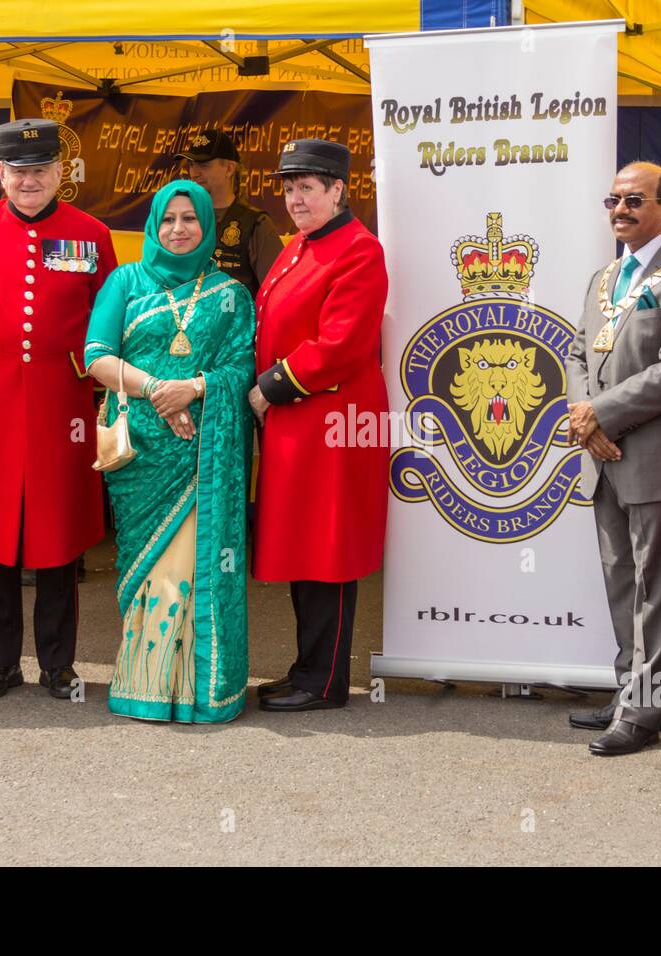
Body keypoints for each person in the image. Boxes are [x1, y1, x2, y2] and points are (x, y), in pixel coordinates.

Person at [0, 118, 118, 701]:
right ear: (0, 173)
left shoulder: (89, 234)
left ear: (59, 173)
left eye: (40, 170)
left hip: (60, 402)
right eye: (18, 171)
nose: (29, 180)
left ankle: (58, 664)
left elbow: (106, 313)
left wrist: (82, 372)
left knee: (58, 540)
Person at [86, 181, 255, 723]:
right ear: (153, 226)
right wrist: (160, 390)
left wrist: (197, 387)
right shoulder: (125, 280)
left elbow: (242, 368)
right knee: (147, 561)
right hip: (143, 448)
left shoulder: (231, 294)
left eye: (190, 220)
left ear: (206, 226)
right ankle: (147, 681)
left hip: (202, 447)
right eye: (167, 220)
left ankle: (197, 689)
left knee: (192, 561)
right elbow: (97, 356)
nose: (178, 230)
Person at [565, 162, 661, 756]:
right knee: (619, 578)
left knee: (657, 585)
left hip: (656, 453)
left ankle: (646, 709)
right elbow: (577, 353)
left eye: (634, 200)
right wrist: (587, 417)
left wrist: (601, 415)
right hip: (601, 454)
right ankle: (627, 687)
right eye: (613, 200)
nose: (620, 210)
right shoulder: (604, 277)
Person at [247, 139, 388, 712]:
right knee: (302, 547)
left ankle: (325, 681)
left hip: (331, 421)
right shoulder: (299, 246)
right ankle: (307, 666)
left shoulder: (359, 249)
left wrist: (269, 387)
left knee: (326, 550)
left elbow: (340, 345)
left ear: (338, 189)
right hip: (296, 422)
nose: (296, 197)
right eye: (288, 187)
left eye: (308, 186)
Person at [177, 130, 281, 295]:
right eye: (191, 165)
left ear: (229, 169)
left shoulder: (255, 224)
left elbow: (277, 294)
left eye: (204, 165)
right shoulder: (180, 220)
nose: (194, 173)